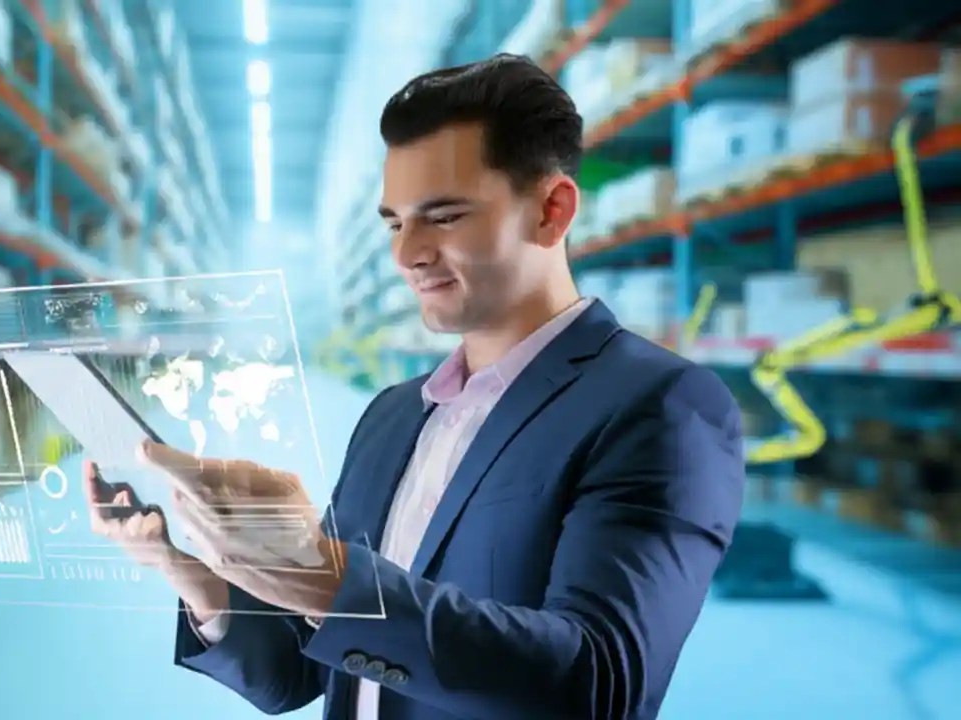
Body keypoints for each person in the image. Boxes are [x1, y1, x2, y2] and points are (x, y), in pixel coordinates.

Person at [84, 53, 745, 720]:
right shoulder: (393, 417)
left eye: (445, 216)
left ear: (551, 210)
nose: (407, 255)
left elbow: (598, 684)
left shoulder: (659, 407)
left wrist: (328, 579)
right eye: (396, 223)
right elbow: (298, 668)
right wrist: (192, 573)